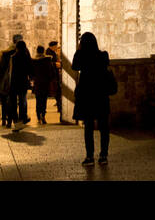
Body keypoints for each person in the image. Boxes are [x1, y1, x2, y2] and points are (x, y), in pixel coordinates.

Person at [72, 31, 111, 166]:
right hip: (101, 94)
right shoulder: (103, 55)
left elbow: (74, 66)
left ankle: (90, 156)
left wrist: (79, 50)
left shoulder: (81, 56)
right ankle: (103, 155)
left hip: (87, 95)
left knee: (88, 127)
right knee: (103, 127)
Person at [9, 39, 33, 130]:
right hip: (23, 81)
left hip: (14, 82)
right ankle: (22, 117)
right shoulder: (27, 57)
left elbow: (11, 71)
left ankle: (16, 120)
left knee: (13, 102)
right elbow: (30, 70)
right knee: (23, 100)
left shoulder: (13, 57)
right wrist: (31, 78)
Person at [32, 45, 55, 124]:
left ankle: (38, 116)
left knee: (38, 100)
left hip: (37, 83)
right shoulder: (47, 60)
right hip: (45, 83)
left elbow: (32, 72)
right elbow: (51, 72)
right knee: (44, 100)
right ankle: (43, 115)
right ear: (44, 51)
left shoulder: (34, 61)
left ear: (37, 51)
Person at [45, 40, 65, 122]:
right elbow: (49, 64)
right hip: (53, 76)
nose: (57, 47)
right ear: (52, 46)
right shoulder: (49, 53)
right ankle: (60, 108)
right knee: (57, 93)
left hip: (54, 76)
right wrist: (56, 64)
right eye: (56, 46)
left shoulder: (52, 52)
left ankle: (60, 108)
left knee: (57, 93)